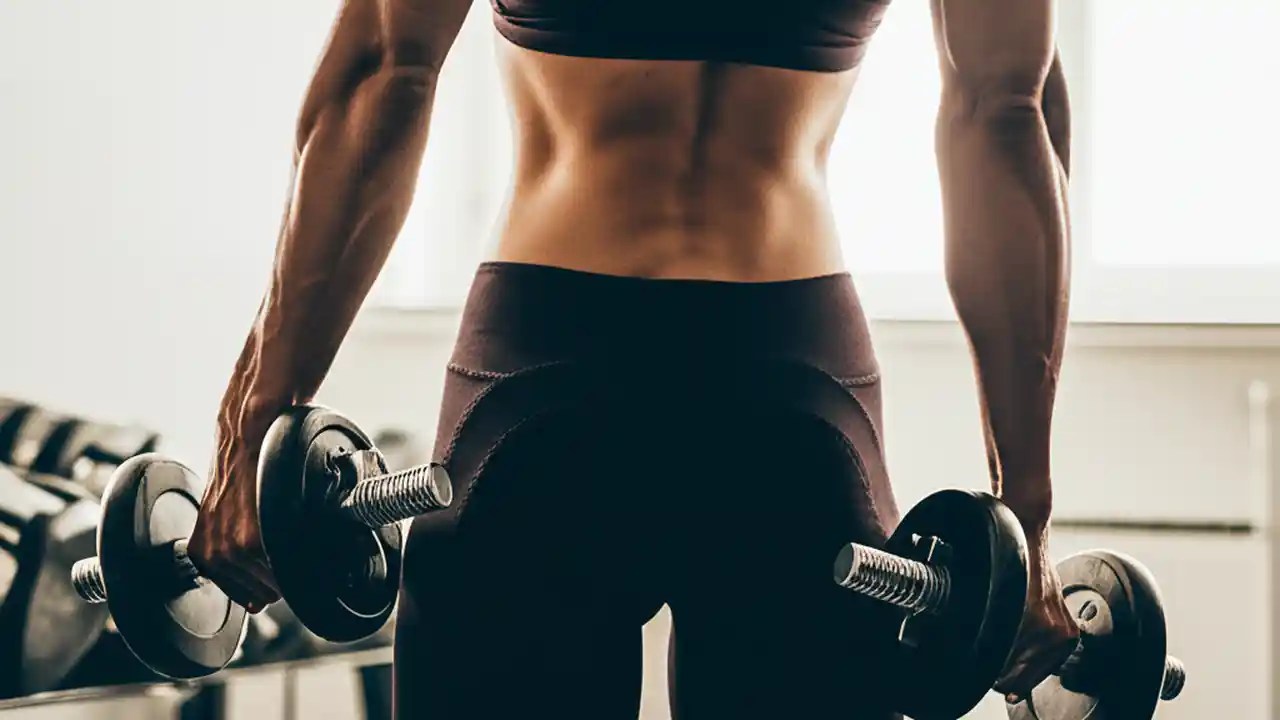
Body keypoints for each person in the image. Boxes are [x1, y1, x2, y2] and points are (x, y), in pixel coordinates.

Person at [188, 0, 1078, 717]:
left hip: (542, 381)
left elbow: (383, 71)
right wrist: (1026, 520)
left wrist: (254, 423)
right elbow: (1004, 114)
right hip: (794, 395)